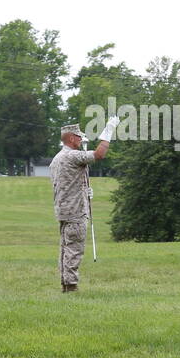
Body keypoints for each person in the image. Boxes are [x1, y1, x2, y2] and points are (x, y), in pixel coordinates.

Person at [50, 123, 109, 292]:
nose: (81, 139)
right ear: (70, 138)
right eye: (78, 136)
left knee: (65, 249)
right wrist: (109, 131)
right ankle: (71, 286)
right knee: (74, 249)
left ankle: (65, 283)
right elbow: (99, 154)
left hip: (63, 210)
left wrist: (84, 190)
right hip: (76, 211)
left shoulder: (56, 159)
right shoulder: (72, 156)